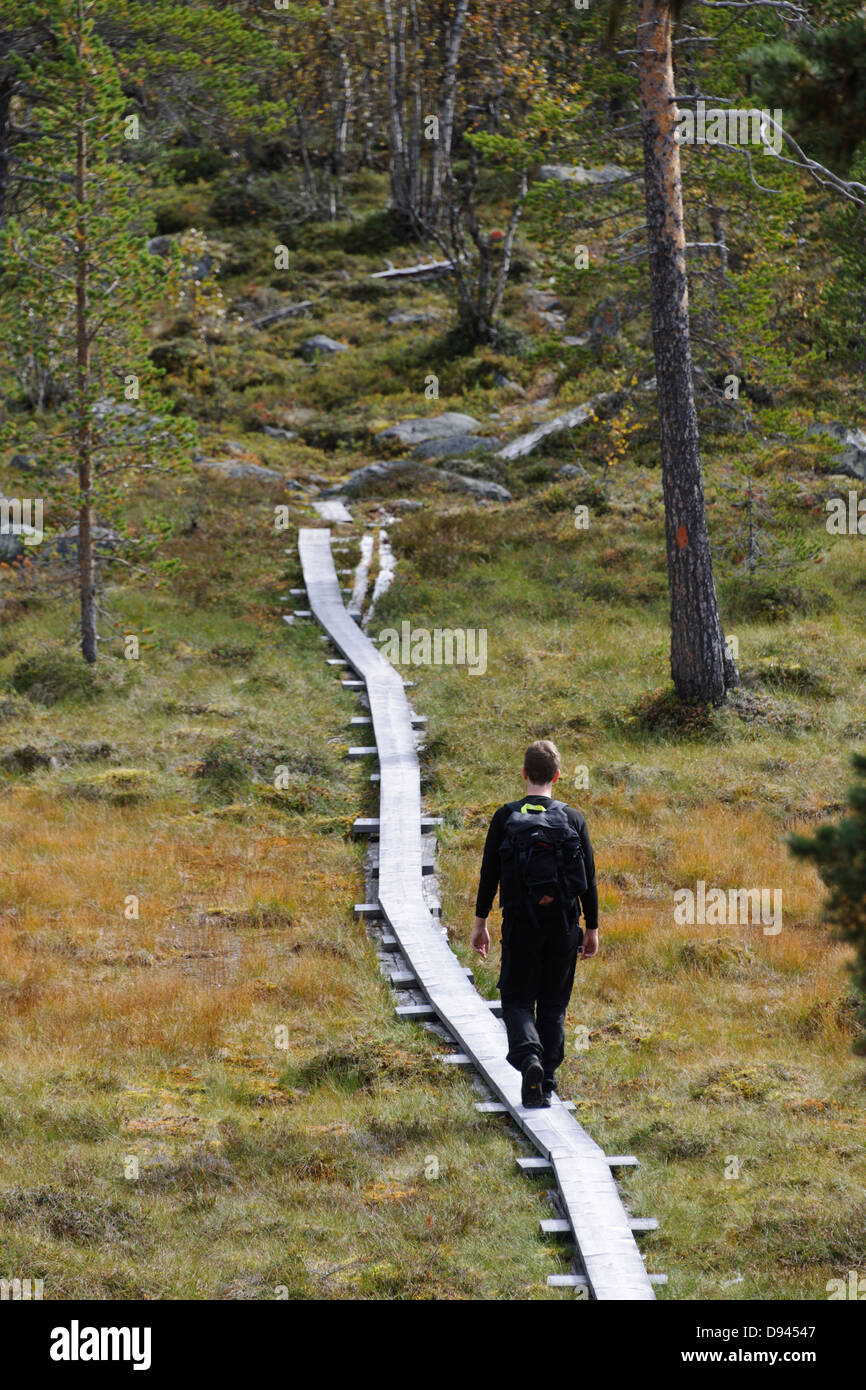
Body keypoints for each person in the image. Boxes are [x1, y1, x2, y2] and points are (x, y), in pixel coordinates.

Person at [471, 739, 599, 1108]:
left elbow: (488, 874)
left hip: (520, 925)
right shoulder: (573, 818)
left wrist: (481, 923)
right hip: (563, 926)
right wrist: (591, 928)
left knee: (517, 1000)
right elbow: (588, 879)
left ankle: (529, 1060)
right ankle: (547, 1080)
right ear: (557, 776)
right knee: (554, 1005)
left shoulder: (505, 817)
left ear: (524, 774)